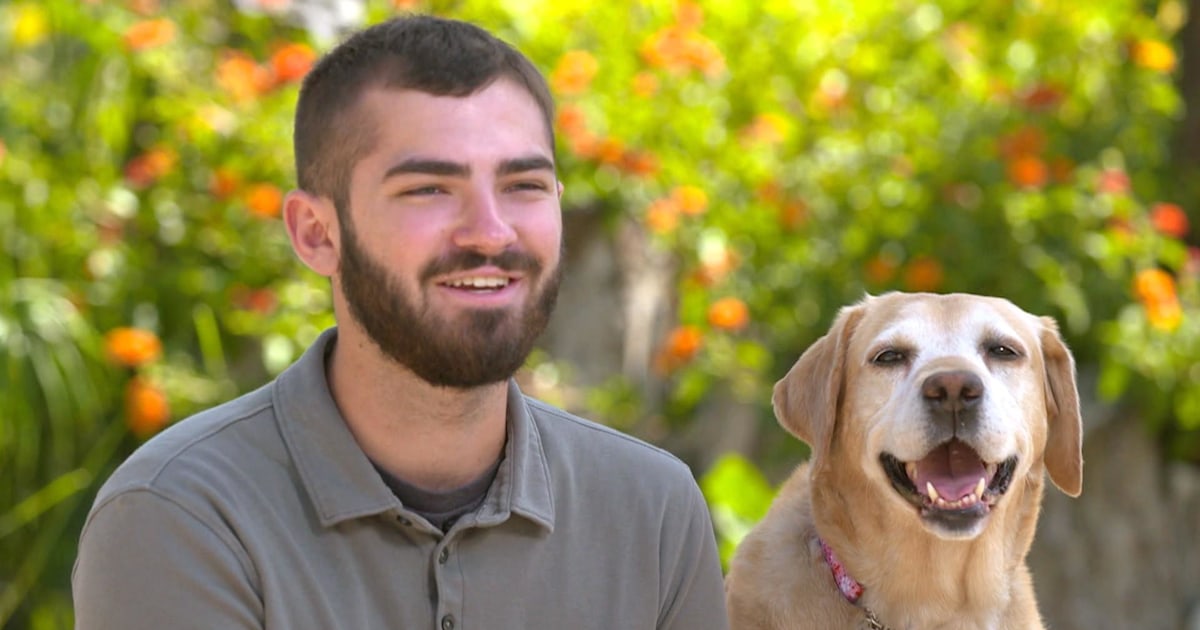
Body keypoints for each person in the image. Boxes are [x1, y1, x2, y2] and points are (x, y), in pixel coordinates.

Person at [72, 14, 730, 630]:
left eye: (523, 185)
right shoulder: (181, 516)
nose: (489, 233)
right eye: (429, 189)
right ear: (316, 232)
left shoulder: (652, 511)